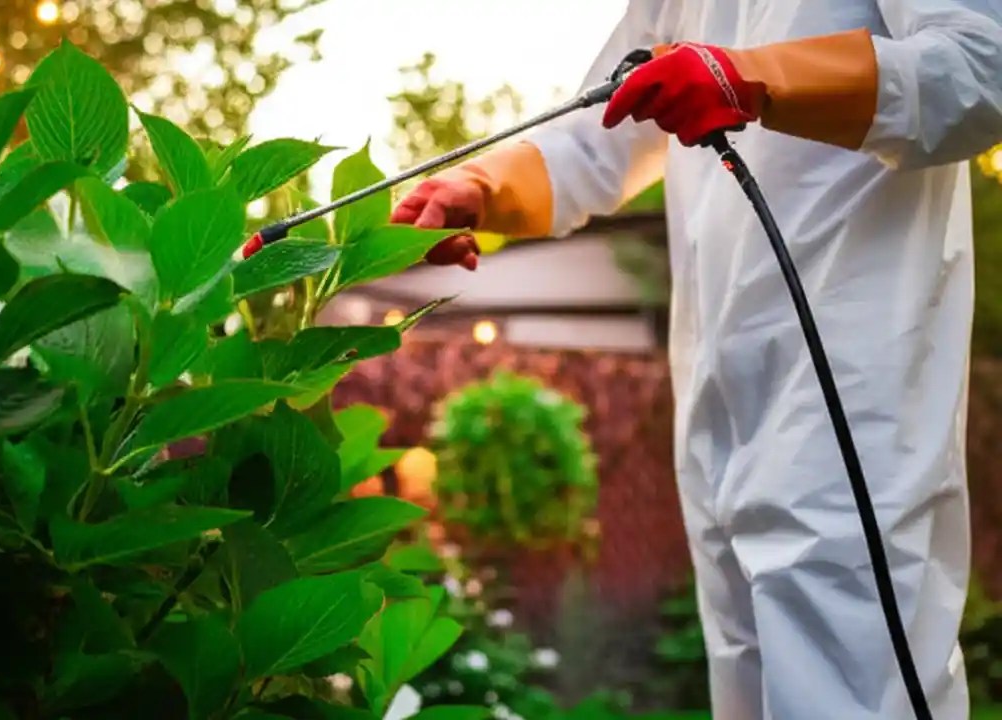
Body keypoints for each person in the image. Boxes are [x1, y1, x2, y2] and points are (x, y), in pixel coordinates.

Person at [390, 2, 1002, 718]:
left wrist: (753, 77)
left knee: (853, 689)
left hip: (854, 385)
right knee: (745, 684)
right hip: (720, 395)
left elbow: (982, 63)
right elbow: (602, 133)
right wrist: (483, 188)